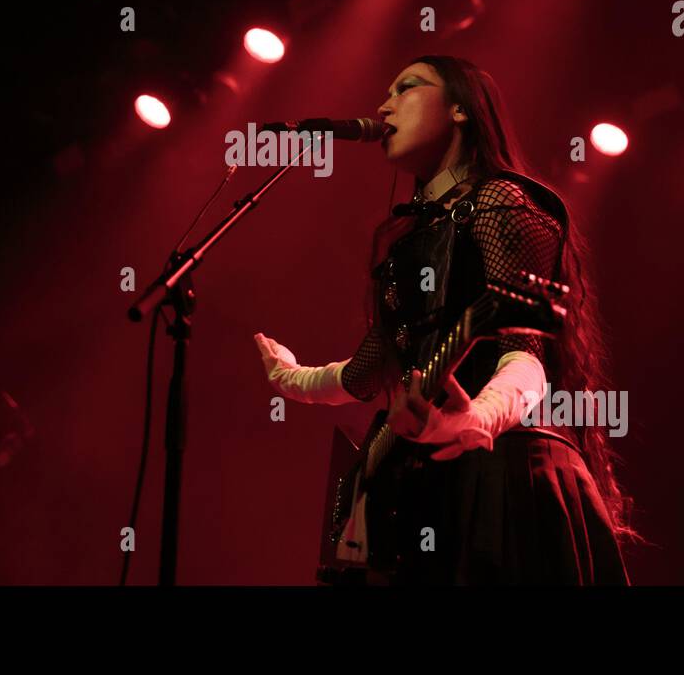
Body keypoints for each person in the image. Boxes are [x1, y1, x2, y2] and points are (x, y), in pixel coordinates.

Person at [256, 54, 638, 584]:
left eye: (407, 87)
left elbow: (525, 356)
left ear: (461, 109)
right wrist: (291, 378)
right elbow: (371, 371)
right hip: (425, 482)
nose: (383, 104)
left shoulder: (502, 200)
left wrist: (478, 417)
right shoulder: (411, 239)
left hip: (500, 469)